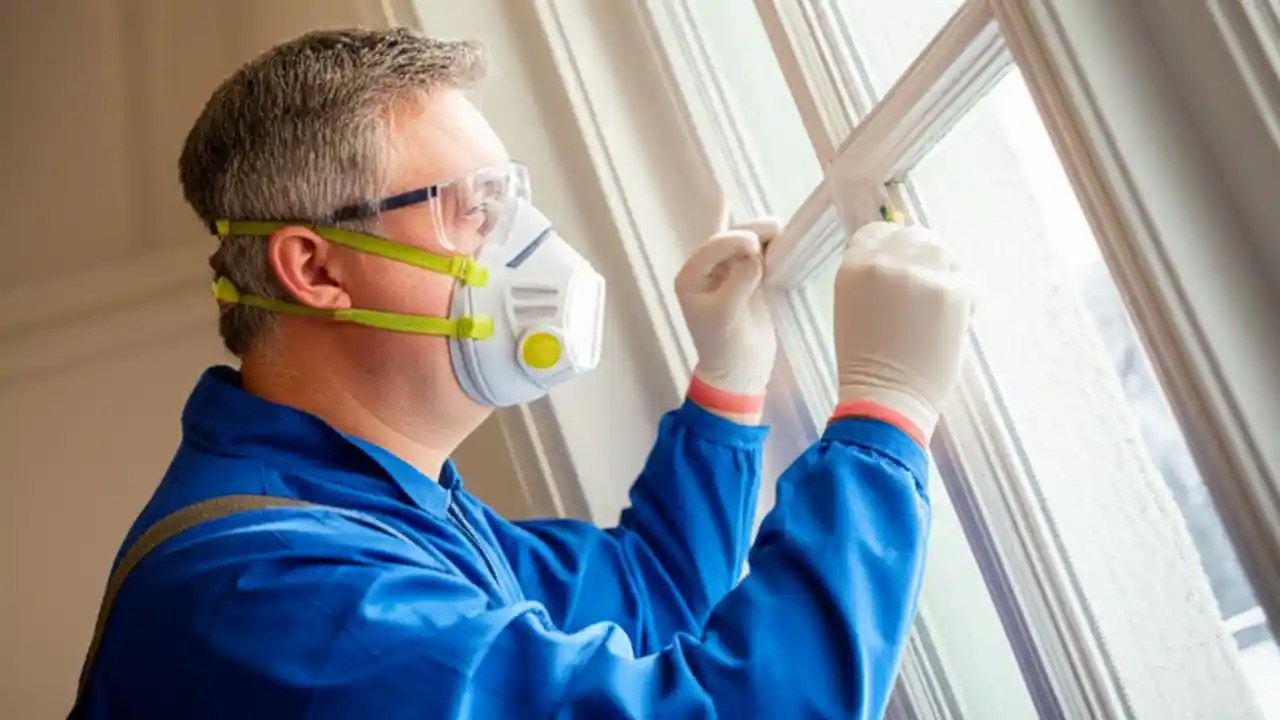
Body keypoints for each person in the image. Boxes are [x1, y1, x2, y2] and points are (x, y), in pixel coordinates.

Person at [72, 28, 972, 719]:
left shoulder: (388, 513)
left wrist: (727, 388)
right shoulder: (277, 592)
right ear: (317, 271)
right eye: (475, 212)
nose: (528, 250)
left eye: (514, 201)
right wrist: (882, 425)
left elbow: (649, 595)